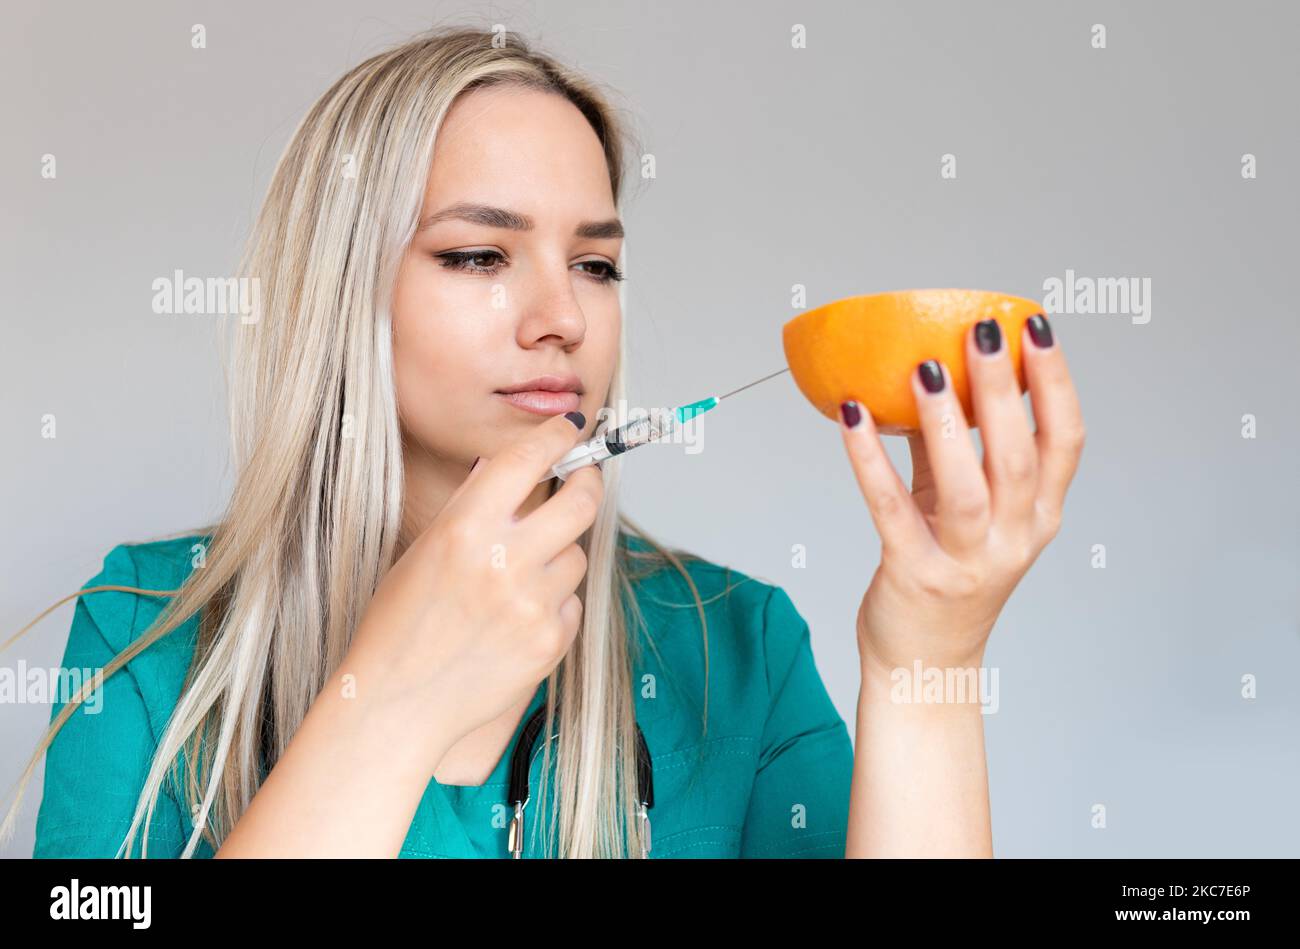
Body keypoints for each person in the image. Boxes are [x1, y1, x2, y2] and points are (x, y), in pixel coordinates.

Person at [5, 25, 1083, 859]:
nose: (559, 316)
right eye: (479, 255)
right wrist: (388, 697)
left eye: (596, 264)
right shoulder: (147, 633)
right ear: (337, 293)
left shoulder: (733, 648)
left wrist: (927, 658)